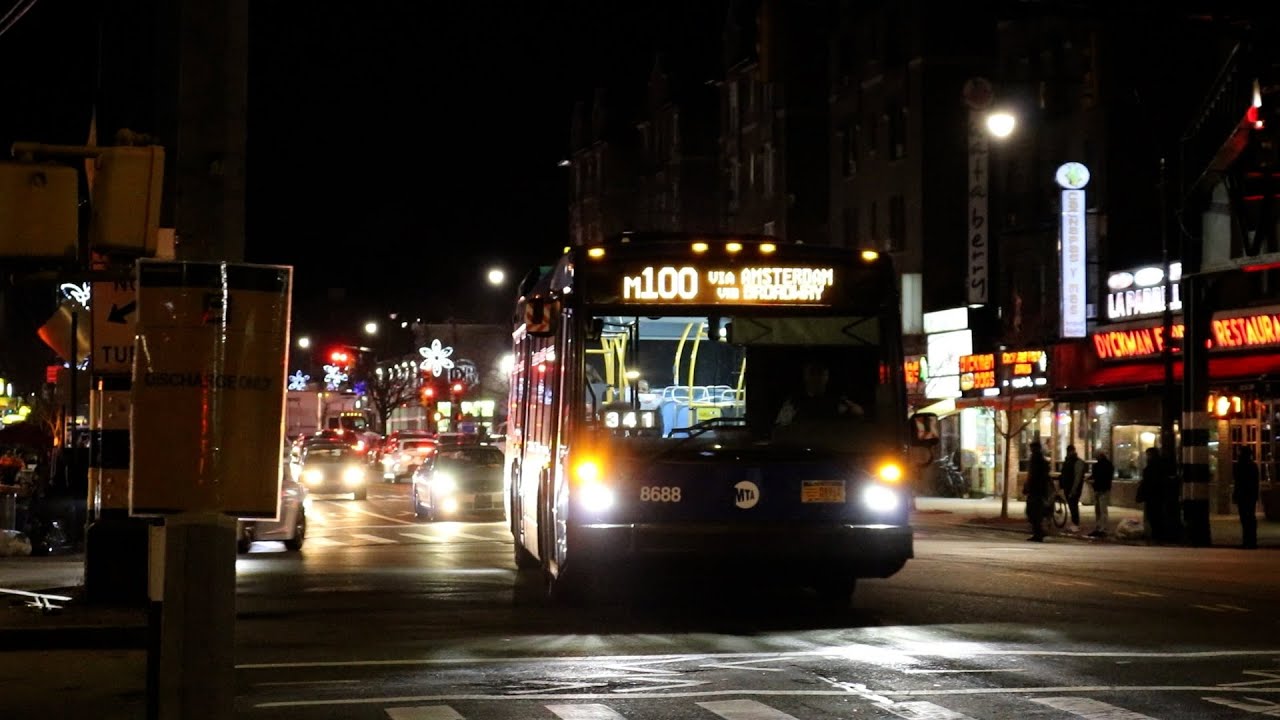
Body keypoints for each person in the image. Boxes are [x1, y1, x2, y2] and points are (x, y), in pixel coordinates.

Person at [775, 358, 864, 426]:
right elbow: (781, 427)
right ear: (805, 376)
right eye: (812, 373)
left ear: (827, 376)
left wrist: (851, 407)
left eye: (820, 373)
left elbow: (858, 413)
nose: (816, 377)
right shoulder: (794, 402)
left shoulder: (836, 401)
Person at [1022, 441, 1052, 542]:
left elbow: (1032, 475)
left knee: (1032, 512)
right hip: (1039, 490)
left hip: (1036, 490)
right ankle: (1038, 532)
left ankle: (1038, 533)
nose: (1031, 450)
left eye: (1032, 448)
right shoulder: (1041, 460)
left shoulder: (1035, 459)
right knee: (1035, 512)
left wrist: (1027, 486)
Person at [1233, 446, 1260, 550]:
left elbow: (1238, 482)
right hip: (1250, 496)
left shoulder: (1240, 465)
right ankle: (1252, 541)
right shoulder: (1253, 466)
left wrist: (1236, 495)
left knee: (1245, 519)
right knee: (1250, 518)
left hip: (1243, 495)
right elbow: (1255, 483)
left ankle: (1247, 541)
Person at [1136, 447, 1163, 542]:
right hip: (1155, 494)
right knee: (1154, 514)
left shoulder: (1152, 467)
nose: (1146, 457)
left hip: (1152, 495)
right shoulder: (1159, 465)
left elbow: (1150, 481)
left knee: (1153, 515)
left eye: (1148, 455)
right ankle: (1154, 533)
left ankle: (1154, 534)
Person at [1088, 449, 1114, 537]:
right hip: (1102, 488)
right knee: (1101, 509)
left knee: (1100, 510)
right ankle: (1100, 527)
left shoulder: (1101, 465)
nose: (1095, 457)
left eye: (1096, 455)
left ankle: (1102, 528)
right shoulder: (1107, 464)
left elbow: (1099, 476)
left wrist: (1092, 480)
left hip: (1100, 488)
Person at [1059, 444, 1086, 530]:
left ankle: (1075, 523)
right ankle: (1074, 523)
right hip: (1068, 487)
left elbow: (1077, 477)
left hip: (1072, 487)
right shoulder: (1068, 461)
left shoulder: (1076, 462)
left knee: (1073, 505)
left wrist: (1074, 489)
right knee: (1071, 505)